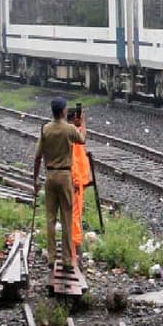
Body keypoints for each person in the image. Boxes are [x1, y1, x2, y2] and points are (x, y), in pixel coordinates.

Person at [32, 97, 85, 271]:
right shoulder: (69, 129)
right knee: (67, 217)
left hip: (50, 175)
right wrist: (80, 125)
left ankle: (51, 257)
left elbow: (37, 157)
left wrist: (35, 180)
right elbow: (82, 140)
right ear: (63, 111)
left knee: (50, 218)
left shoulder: (45, 129)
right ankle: (67, 260)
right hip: (65, 175)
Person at [69, 105, 91, 266]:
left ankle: (74, 246)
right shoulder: (72, 137)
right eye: (80, 116)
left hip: (78, 181)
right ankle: (75, 248)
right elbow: (73, 161)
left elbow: (83, 135)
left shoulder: (73, 133)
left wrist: (82, 124)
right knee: (75, 214)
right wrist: (76, 180)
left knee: (75, 214)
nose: (82, 119)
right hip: (75, 182)